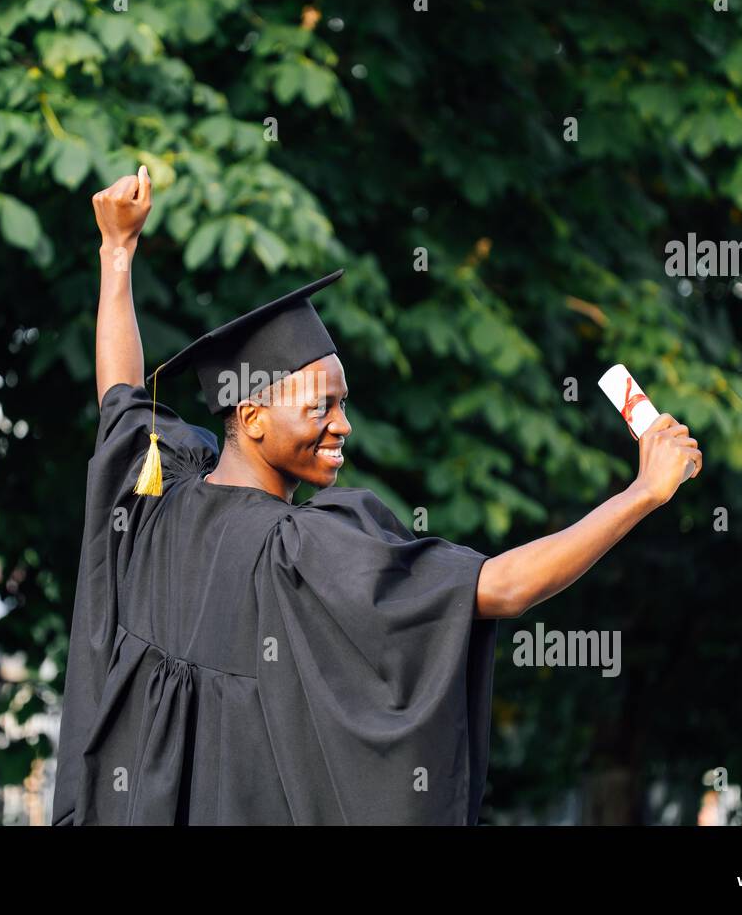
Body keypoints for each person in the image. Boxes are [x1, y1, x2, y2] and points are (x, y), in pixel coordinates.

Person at [51, 165, 704, 825]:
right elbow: (500, 587)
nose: (342, 425)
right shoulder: (302, 548)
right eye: (320, 408)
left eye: (343, 404)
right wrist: (644, 492)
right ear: (252, 419)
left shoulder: (155, 499)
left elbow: (120, 396)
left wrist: (117, 252)